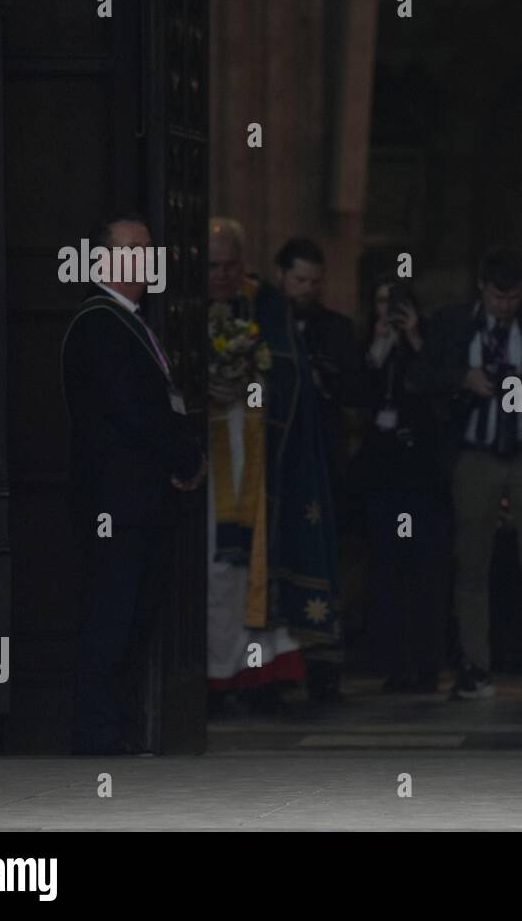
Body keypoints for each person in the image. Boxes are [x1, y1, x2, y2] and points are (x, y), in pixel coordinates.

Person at [62, 213, 205, 754]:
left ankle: (115, 728)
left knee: (135, 615)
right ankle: (96, 734)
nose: (150, 258)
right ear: (104, 260)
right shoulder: (99, 323)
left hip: (143, 498)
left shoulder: (131, 320)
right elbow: (136, 411)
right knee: (112, 615)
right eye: (136, 249)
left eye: (151, 249)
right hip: (115, 502)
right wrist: (186, 455)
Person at [205, 218, 342, 710]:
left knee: (254, 573)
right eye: (212, 266)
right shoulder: (178, 303)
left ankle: (255, 676)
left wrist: (248, 378)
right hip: (204, 463)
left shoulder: (266, 303)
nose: (222, 275)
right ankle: (210, 676)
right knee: (214, 571)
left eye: (230, 265)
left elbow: (292, 373)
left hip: (260, 461)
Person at [415, 246, 522, 700]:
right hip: (474, 453)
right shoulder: (455, 323)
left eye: (512, 298)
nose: (504, 306)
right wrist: (464, 378)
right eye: (498, 298)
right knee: (471, 563)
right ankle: (474, 665)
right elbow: (421, 376)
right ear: (482, 289)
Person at [350, 274, 449, 693]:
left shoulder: (424, 345)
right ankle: (392, 662)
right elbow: (357, 391)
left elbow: (438, 388)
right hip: (383, 476)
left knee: (424, 571)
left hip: (421, 477)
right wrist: (379, 344)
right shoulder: (370, 345)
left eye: (396, 305)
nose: (388, 313)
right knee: (386, 571)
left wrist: (413, 338)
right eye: (380, 303)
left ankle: (426, 662)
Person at [274, 236, 363, 702]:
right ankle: (273, 669)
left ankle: (326, 666)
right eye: (298, 279)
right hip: (278, 464)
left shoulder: (336, 328)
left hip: (325, 462)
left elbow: (355, 391)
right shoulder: (268, 323)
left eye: (314, 280)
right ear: (281, 276)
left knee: (331, 561)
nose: (307, 289)